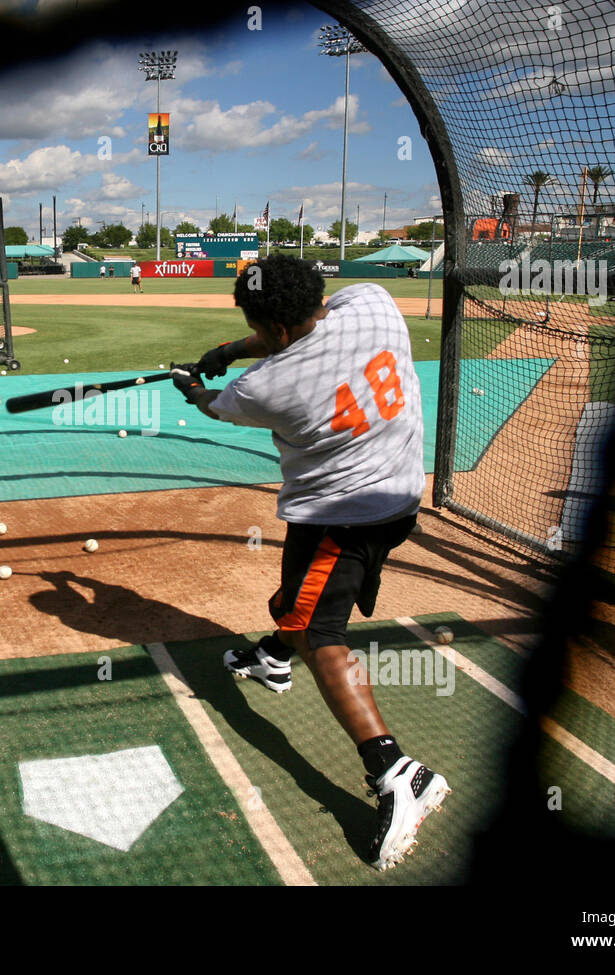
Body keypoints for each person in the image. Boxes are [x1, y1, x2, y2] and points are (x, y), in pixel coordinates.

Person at [171, 254, 448, 871]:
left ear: (274, 328)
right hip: (400, 494)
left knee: (323, 631)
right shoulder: (373, 302)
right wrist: (233, 346)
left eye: (255, 325)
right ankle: (273, 657)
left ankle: (396, 772)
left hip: (343, 519)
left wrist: (197, 384)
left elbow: (216, 405)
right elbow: (297, 326)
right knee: (301, 597)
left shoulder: (265, 388)